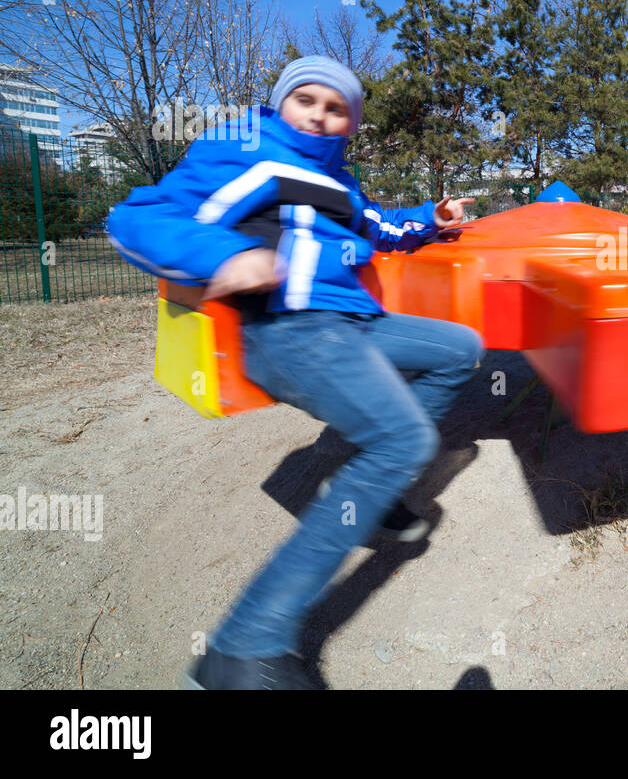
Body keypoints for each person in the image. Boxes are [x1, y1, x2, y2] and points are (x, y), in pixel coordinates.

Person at [107, 56, 484, 689]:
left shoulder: (342, 182)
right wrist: (227, 254)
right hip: (288, 328)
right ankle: (242, 649)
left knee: (462, 349)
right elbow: (134, 218)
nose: (319, 114)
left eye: (337, 108)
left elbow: (382, 229)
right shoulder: (247, 148)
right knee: (403, 439)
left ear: (350, 123)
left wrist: (432, 217)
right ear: (282, 102)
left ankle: (371, 483)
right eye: (306, 99)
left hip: (356, 324)